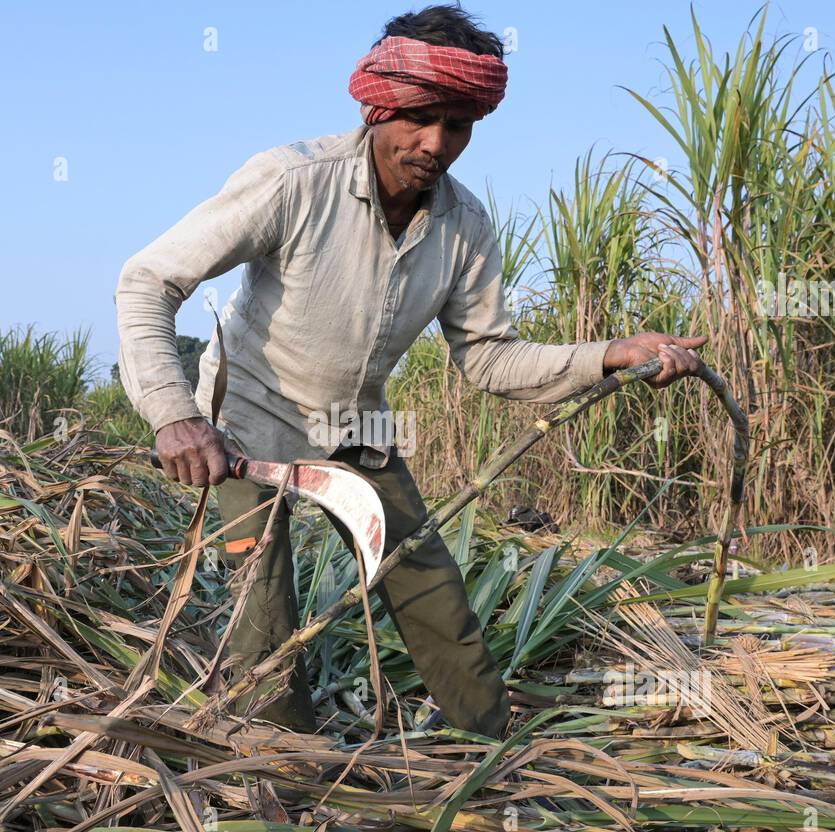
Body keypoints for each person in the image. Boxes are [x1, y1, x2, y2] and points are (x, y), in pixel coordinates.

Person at [115, 4, 705, 737]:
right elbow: (148, 280)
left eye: (457, 126)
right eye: (419, 118)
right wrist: (176, 412)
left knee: (429, 588)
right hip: (245, 426)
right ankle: (282, 769)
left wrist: (607, 355)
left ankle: (490, 745)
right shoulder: (294, 180)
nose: (435, 144)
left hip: (354, 421)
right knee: (262, 616)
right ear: (377, 105)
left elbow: (490, 358)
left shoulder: (464, 226)